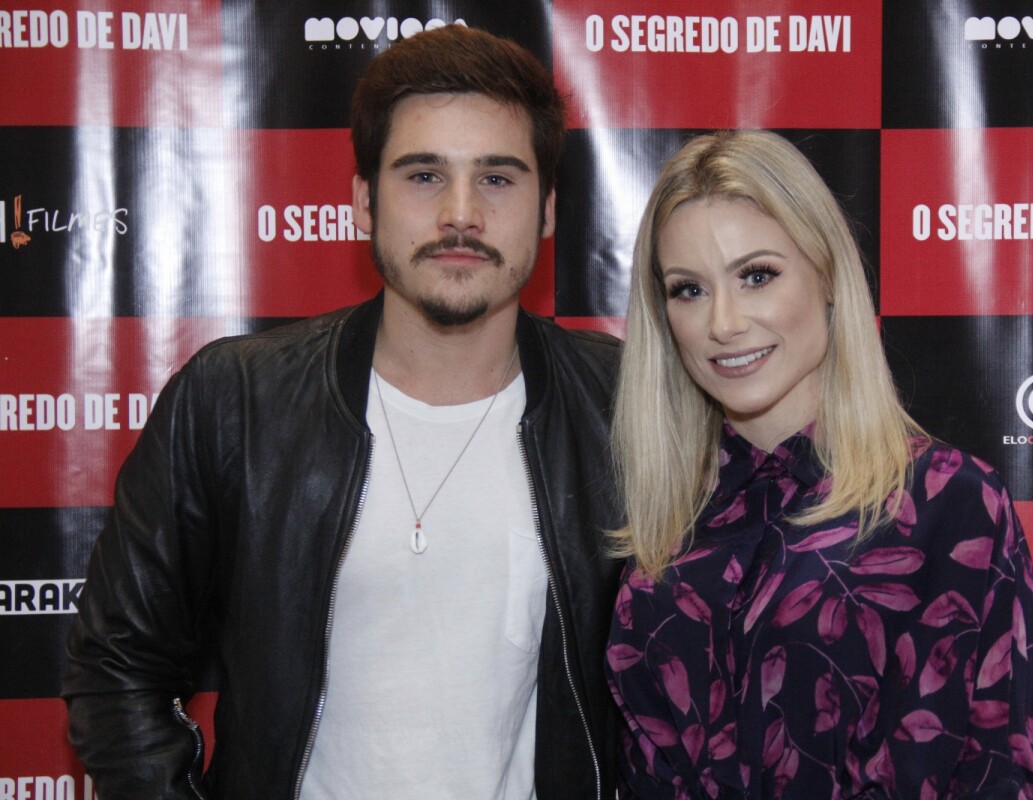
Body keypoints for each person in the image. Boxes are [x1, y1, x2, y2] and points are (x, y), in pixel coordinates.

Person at [63, 24, 623, 799]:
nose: (461, 214)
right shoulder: (236, 401)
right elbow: (116, 667)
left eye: (498, 178)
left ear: (549, 209)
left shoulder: (623, 408)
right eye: (423, 176)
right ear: (364, 201)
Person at [605, 131, 1033, 799]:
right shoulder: (661, 544)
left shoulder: (947, 507)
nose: (723, 322)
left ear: (829, 276)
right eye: (688, 290)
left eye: (757, 276)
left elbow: (1000, 776)